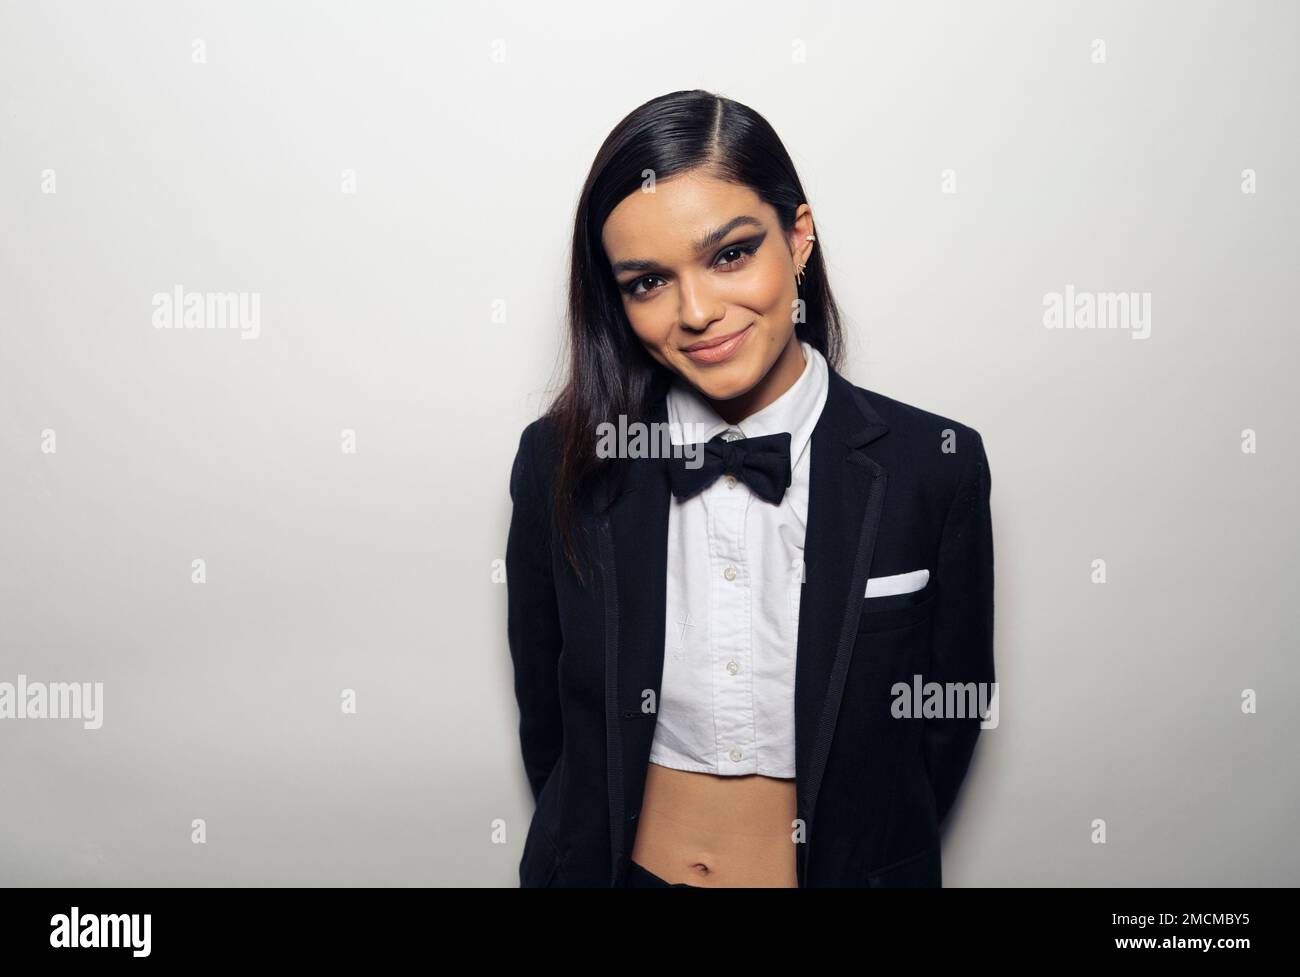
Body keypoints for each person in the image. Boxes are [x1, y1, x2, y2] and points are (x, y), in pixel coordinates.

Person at [506, 89, 994, 888]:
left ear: (798, 239)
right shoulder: (561, 461)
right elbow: (552, 721)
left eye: (730, 253)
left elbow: (945, 720)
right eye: (647, 282)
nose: (696, 311)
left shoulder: (932, 464)